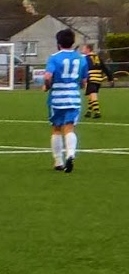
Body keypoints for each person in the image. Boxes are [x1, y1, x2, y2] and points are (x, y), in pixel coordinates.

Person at [45, 28, 85, 172]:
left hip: (57, 98)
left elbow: (48, 76)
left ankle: (58, 161)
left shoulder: (54, 58)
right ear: (72, 42)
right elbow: (83, 82)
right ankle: (70, 154)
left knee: (56, 128)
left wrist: (47, 86)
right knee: (69, 127)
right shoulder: (81, 58)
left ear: (58, 43)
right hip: (73, 97)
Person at [82, 43, 106, 119]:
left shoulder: (85, 58)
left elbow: (83, 68)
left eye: (84, 48)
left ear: (88, 49)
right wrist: (110, 78)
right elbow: (104, 67)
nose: (82, 50)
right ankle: (89, 111)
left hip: (91, 78)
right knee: (91, 94)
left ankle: (97, 111)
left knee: (92, 94)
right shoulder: (98, 57)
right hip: (98, 79)